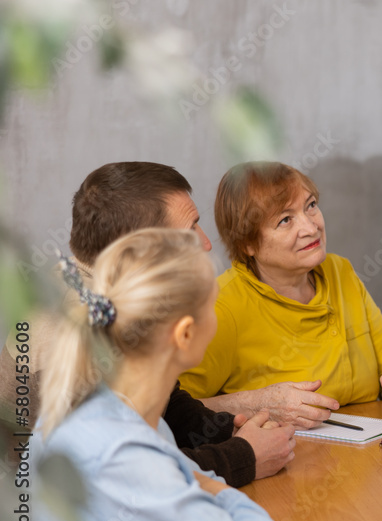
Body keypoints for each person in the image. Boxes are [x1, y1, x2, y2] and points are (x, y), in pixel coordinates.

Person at [3, 162, 293, 487]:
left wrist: (226, 428)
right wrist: (244, 457)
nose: (206, 244)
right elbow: (128, 477)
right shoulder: (79, 338)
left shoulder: (101, 285)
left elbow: (164, 400)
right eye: (189, 231)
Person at [9, 229, 290, 521]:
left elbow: (190, 477)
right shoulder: (119, 451)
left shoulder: (114, 408)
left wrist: (203, 484)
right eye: (212, 306)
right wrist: (222, 493)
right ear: (185, 334)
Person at [179, 161, 382, 424]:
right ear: (247, 243)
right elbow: (177, 412)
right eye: (285, 220)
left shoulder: (340, 271)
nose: (311, 227)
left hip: (373, 454)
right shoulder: (222, 305)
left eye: (311, 205)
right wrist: (255, 404)